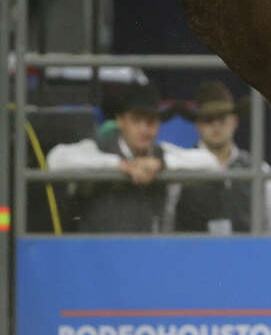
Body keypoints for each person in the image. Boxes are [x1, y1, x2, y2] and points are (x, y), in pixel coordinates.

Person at [46, 82, 218, 233]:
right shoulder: (97, 148)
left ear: (158, 124)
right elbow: (56, 159)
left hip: (146, 256)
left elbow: (211, 162)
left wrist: (160, 164)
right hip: (98, 256)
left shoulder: (162, 153)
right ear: (120, 121)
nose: (144, 129)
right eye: (136, 120)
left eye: (150, 122)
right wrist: (119, 166)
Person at [171, 80, 271, 234]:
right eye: (208, 119)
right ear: (198, 124)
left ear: (234, 121)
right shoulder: (178, 168)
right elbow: (167, 223)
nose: (216, 124)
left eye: (222, 118)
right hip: (193, 255)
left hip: (245, 255)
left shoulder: (261, 170)